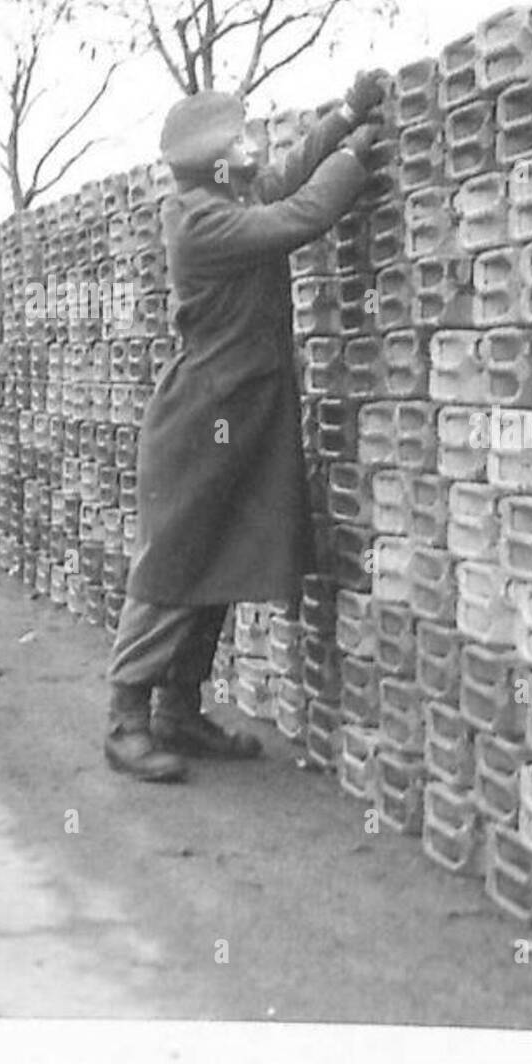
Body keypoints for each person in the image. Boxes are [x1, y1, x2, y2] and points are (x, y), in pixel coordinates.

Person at [104, 72, 385, 782]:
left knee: (220, 559)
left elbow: (289, 177)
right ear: (216, 159)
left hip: (242, 406)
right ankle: (126, 719)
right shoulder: (203, 221)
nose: (255, 141)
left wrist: (346, 111)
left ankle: (177, 712)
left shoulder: (224, 196)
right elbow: (302, 215)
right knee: (174, 568)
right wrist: (354, 157)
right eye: (242, 134)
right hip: (205, 416)